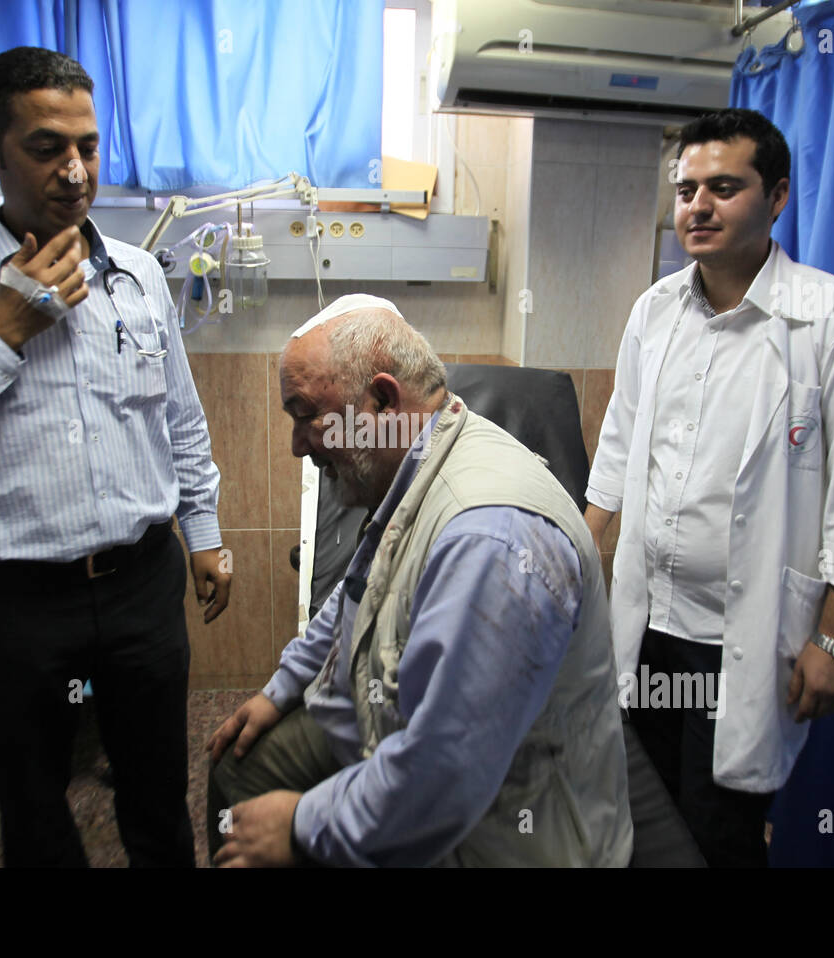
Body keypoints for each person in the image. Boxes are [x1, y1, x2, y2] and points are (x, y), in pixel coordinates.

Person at [0, 47, 230, 867]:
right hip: (16, 602)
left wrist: (204, 532)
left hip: (140, 584)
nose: (74, 170)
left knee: (160, 801)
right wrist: (0, 336)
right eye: (46, 146)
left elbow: (181, 421)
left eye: (88, 146)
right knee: (34, 813)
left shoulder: (134, 277)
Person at [205, 294, 633, 867]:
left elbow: (445, 772)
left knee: (269, 827)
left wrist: (303, 825)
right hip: (395, 734)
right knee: (240, 767)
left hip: (502, 834)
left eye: (306, 416)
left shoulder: (490, 542)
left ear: (382, 400)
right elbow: (359, 589)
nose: (297, 446)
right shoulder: (425, 459)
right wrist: (281, 688)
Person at [584, 108, 834, 867]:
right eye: (687, 188)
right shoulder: (655, 312)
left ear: (779, 196)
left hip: (742, 638)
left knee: (717, 829)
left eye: (724, 187)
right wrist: (574, 563)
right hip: (649, 625)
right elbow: (619, 450)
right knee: (646, 808)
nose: (697, 205)